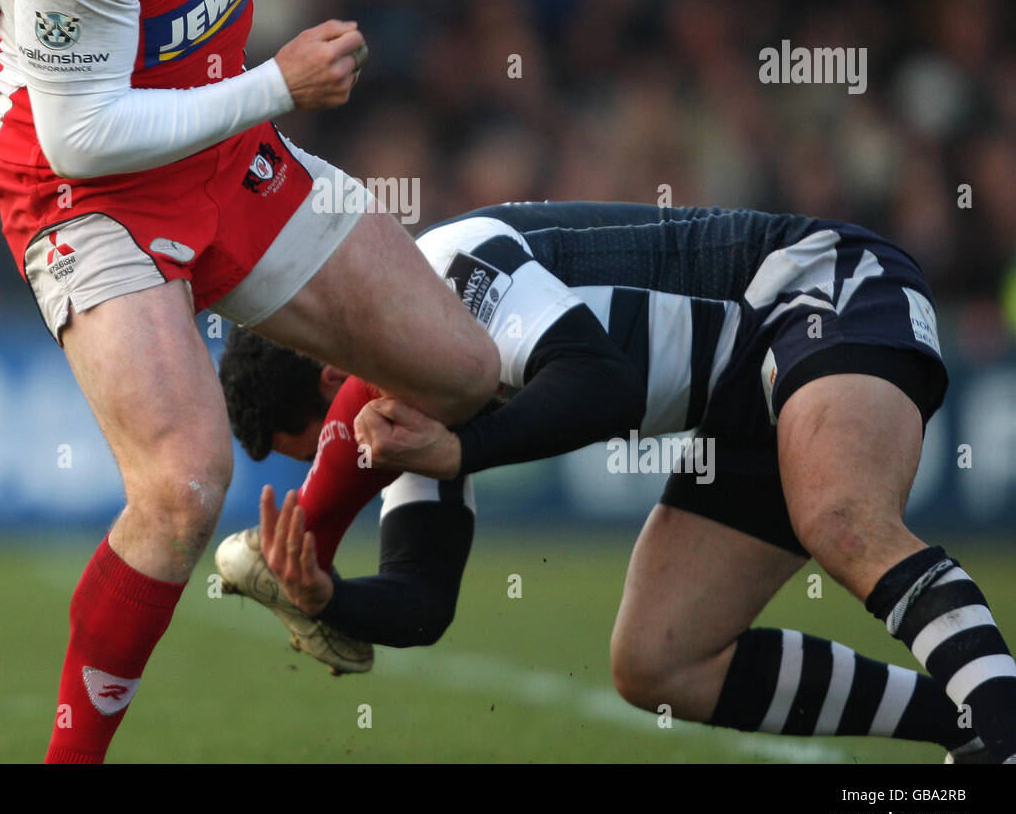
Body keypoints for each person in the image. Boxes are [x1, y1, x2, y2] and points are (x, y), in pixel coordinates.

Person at [0, 0, 498, 764]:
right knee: (181, 488)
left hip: (224, 155)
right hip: (88, 189)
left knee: (459, 372)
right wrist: (276, 87)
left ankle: (295, 551)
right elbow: (83, 138)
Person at [217, 200, 1016, 763]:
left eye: (329, 446)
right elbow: (422, 597)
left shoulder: (446, 268)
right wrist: (329, 600)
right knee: (658, 661)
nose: (353, 458)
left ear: (333, 376)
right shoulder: (404, 410)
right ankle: (971, 721)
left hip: (816, 289)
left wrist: (462, 455)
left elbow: (596, 380)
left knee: (841, 521)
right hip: (741, 403)